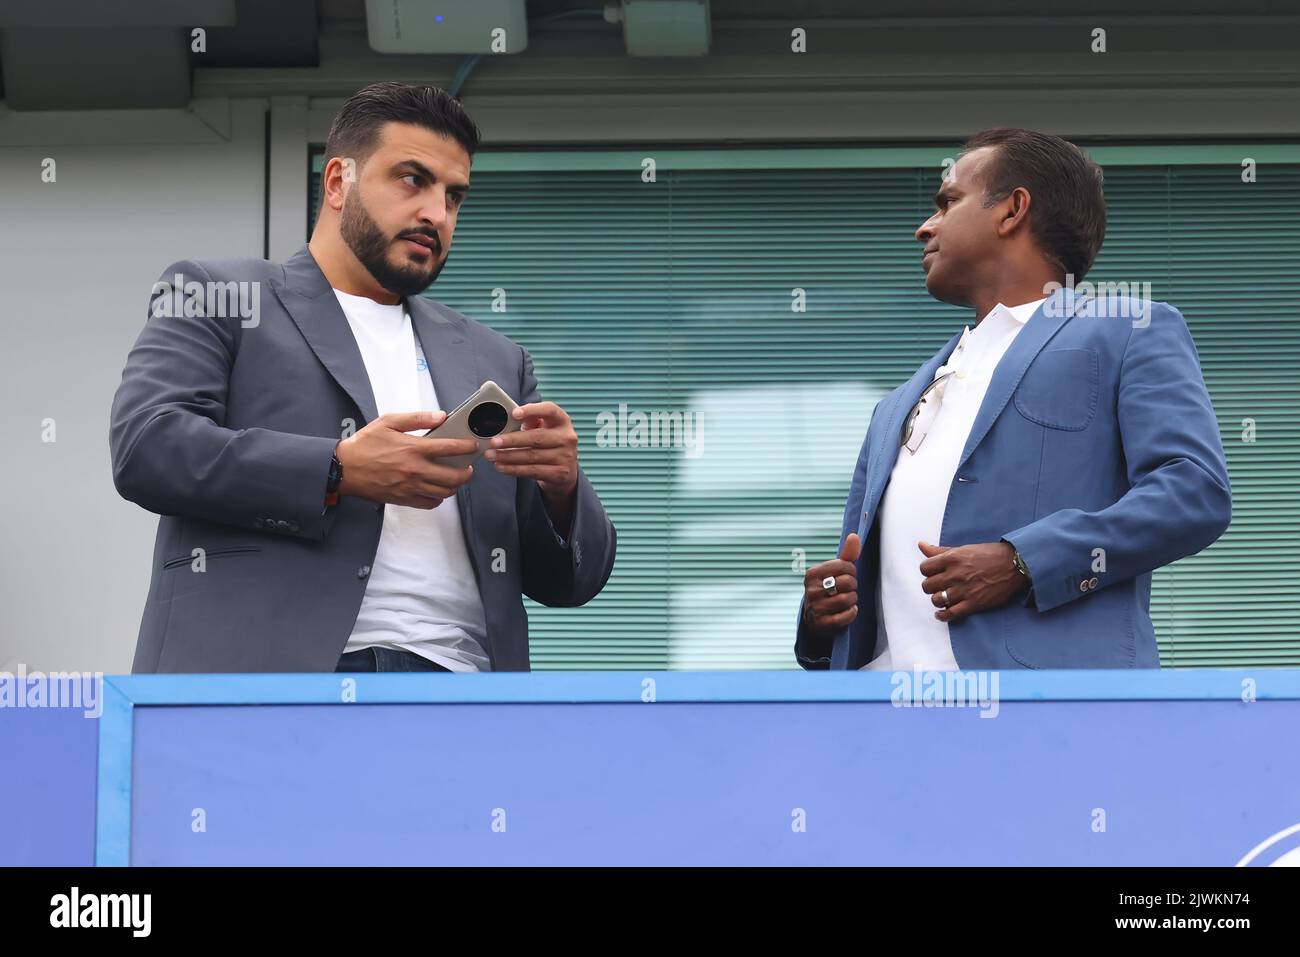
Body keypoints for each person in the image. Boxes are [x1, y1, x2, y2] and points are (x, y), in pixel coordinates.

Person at [111, 82, 616, 673]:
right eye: (412, 180)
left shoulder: (497, 360)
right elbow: (148, 445)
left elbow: (571, 583)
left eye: (454, 197)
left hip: (465, 696)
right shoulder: (218, 296)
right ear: (337, 183)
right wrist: (339, 470)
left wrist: (562, 490)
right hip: (279, 685)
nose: (436, 212)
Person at [796, 128, 1230, 670]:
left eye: (948, 202)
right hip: (886, 726)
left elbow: (1194, 493)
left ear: (1012, 210)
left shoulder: (1125, 330)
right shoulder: (895, 406)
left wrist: (1025, 561)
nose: (923, 228)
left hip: (1051, 718)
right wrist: (821, 619)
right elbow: (860, 588)